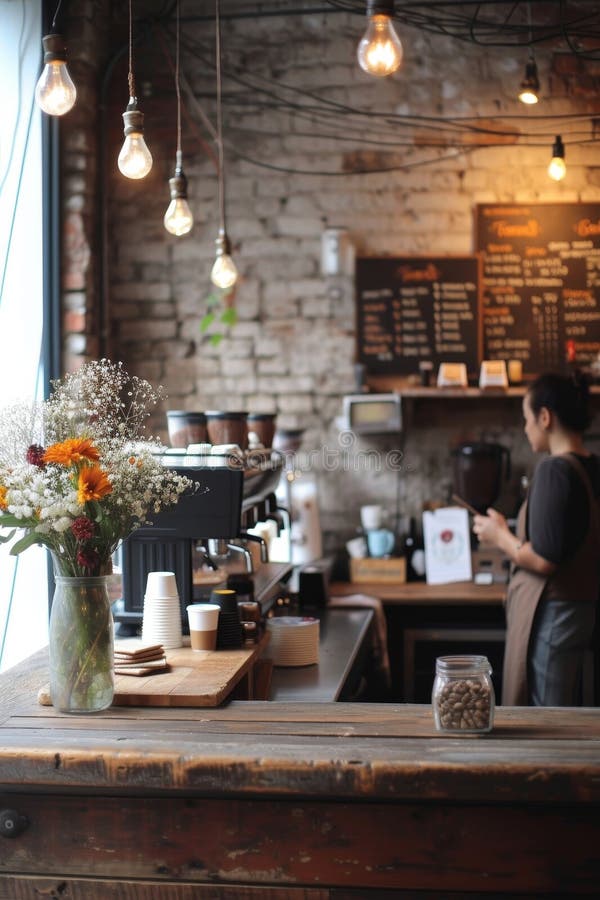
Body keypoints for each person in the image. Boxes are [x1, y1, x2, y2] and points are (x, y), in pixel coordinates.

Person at [472, 371, 600, 706]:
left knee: (548, 716)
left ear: (545, 417)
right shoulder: (591, 466)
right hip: (582, 607)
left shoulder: (554, 470)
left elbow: (545, 559)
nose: (525, 428)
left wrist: (498, 535)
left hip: (555, 612)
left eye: (527, 419)